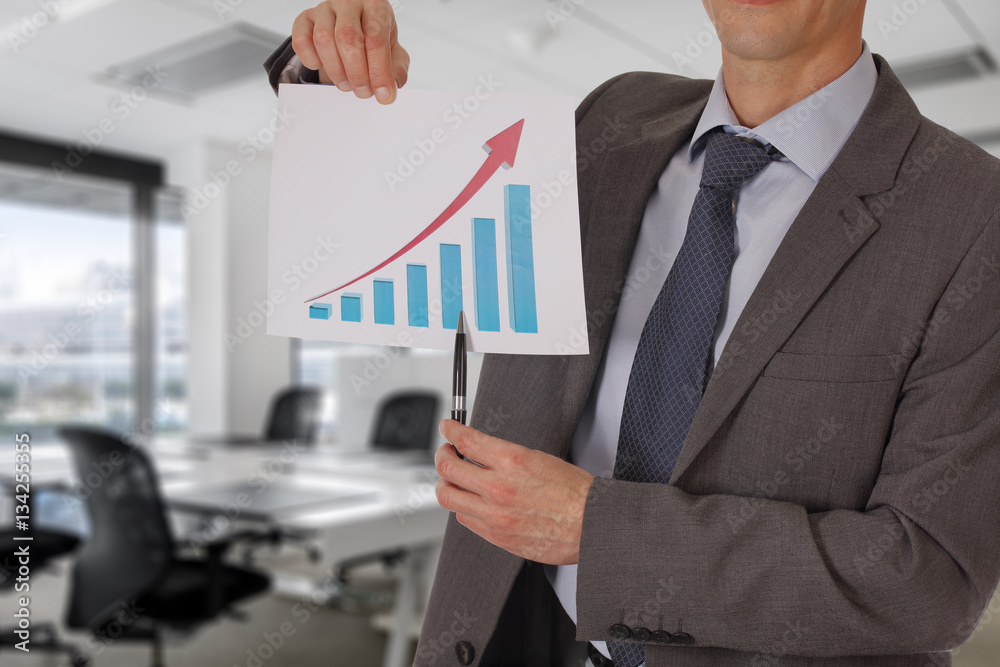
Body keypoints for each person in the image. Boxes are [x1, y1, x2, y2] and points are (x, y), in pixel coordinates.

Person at [265, 1, 1000, 665]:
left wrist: (597, 532)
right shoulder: (613, 118)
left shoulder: (971, 213)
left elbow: (929, 577)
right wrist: (341, 95)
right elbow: (421, 239)